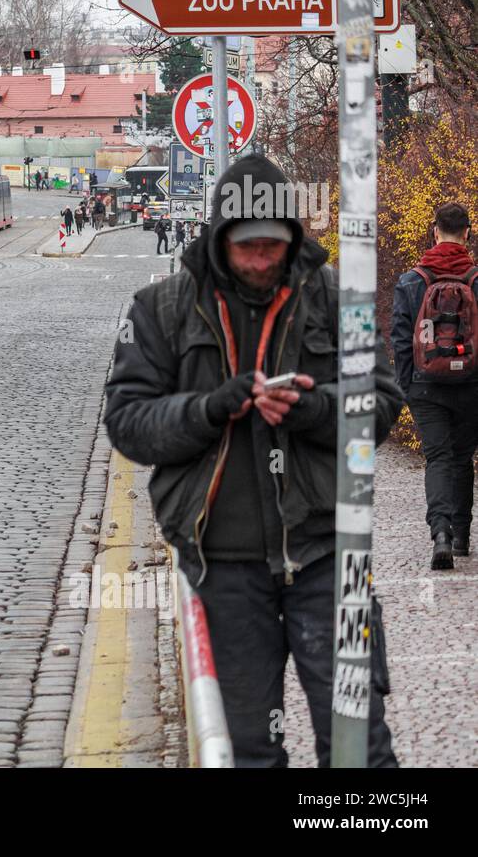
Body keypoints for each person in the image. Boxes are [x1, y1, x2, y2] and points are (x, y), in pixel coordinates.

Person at [104, 153, 403, 768]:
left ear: (293, 237)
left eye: (274, 246)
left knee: (360, 750)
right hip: (224, 567)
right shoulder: (160, 309)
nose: (263, 261)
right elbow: (129, 424)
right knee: (246, 752)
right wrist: (209, 409)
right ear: (220, 241)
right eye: (249, 249)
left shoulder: (336, 299)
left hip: (330, 557)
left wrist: (314, 411)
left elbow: (382, 406)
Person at [391, 202, 478, 568]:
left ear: (434, 231)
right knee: (461, 457)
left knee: (438, 457)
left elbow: (398, 337)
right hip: (472, 383)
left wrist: (406, 386)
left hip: (425, 384)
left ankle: (440, 531)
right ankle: (461, 536)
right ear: (468, 234)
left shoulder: (413, 280)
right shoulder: (475, 279)